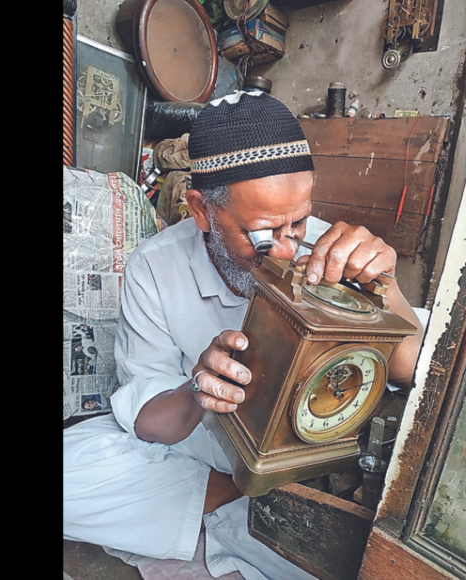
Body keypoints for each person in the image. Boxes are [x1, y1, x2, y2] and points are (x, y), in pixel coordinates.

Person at [63, 90, 425, 580]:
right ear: (200, 210)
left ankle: (233, 507)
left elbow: (418, 379)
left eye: (298, 222)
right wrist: (197, 391)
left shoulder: (329, 253)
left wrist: (390, 293)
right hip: (199, 457)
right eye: (261, 234)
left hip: (306, 461)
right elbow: (148, 423)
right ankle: (232, 496)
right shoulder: (155, 265)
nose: (283, 250)